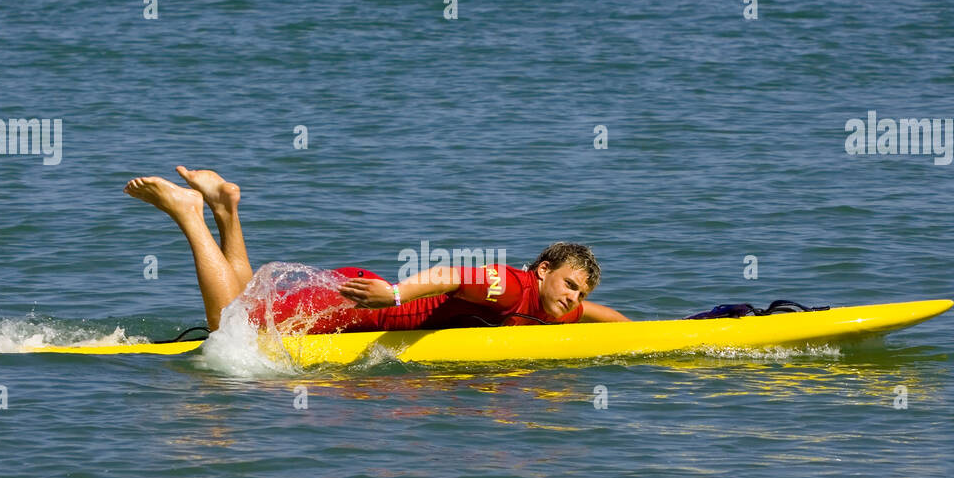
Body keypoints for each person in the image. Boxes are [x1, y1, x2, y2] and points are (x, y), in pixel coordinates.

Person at [124, 167, 631, 333]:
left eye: (579, 290)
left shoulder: (557, 307)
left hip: (357, 302)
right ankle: (190, 214)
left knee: (246, 304)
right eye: (568, 283)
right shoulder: (513, 285)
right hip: (355, 303)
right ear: (543, 271)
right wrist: (394, 294)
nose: (573, 297)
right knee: (231, 328)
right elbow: (456, 274)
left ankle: (225, 205)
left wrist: (646, 334)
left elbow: (597, 313)